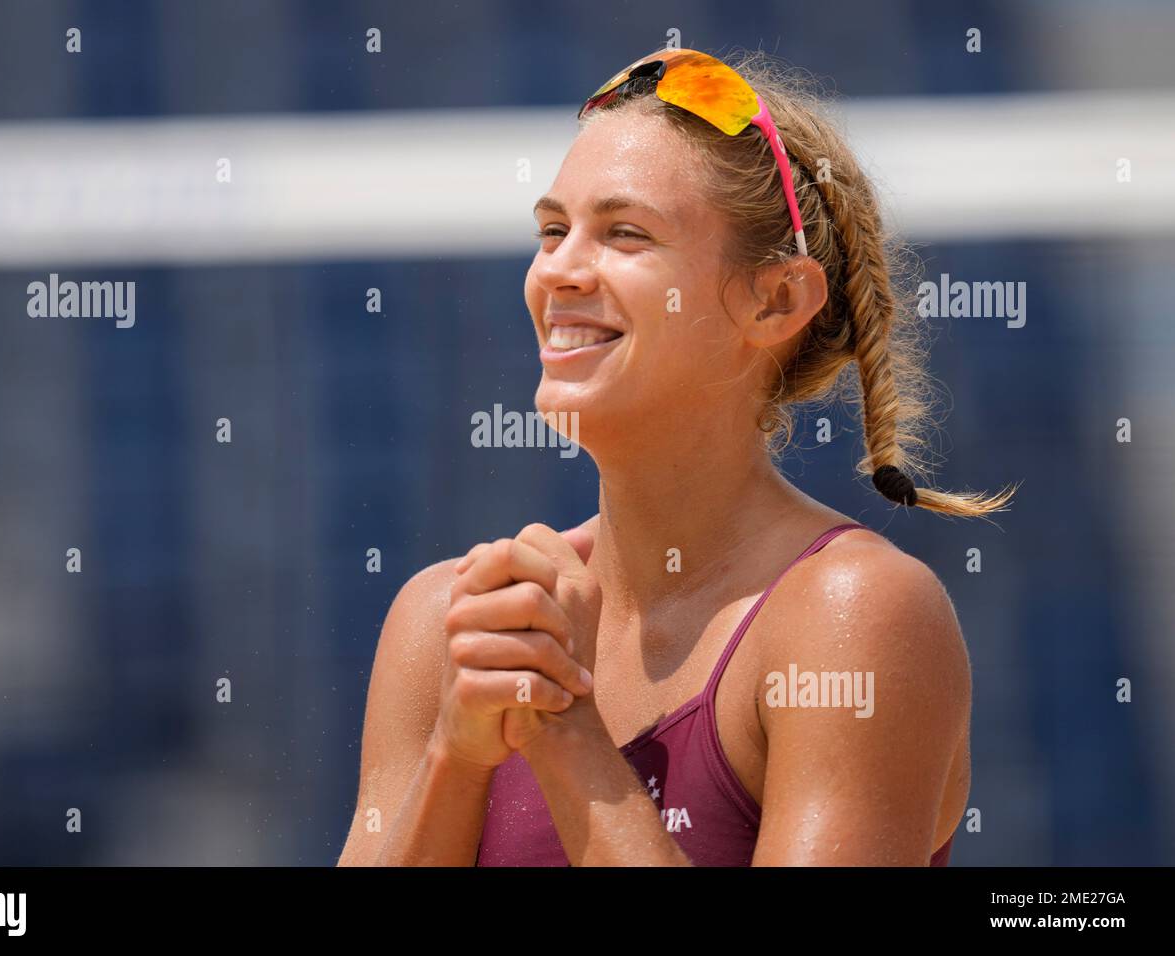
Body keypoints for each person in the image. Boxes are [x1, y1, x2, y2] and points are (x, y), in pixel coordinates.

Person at [337, 46, 1017, 866]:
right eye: (552, 230)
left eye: (624, 234)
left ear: (775, 300)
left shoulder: (854, 614)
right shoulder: (443, 620)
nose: (557, 270)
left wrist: (564, 728)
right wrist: (456, 750)